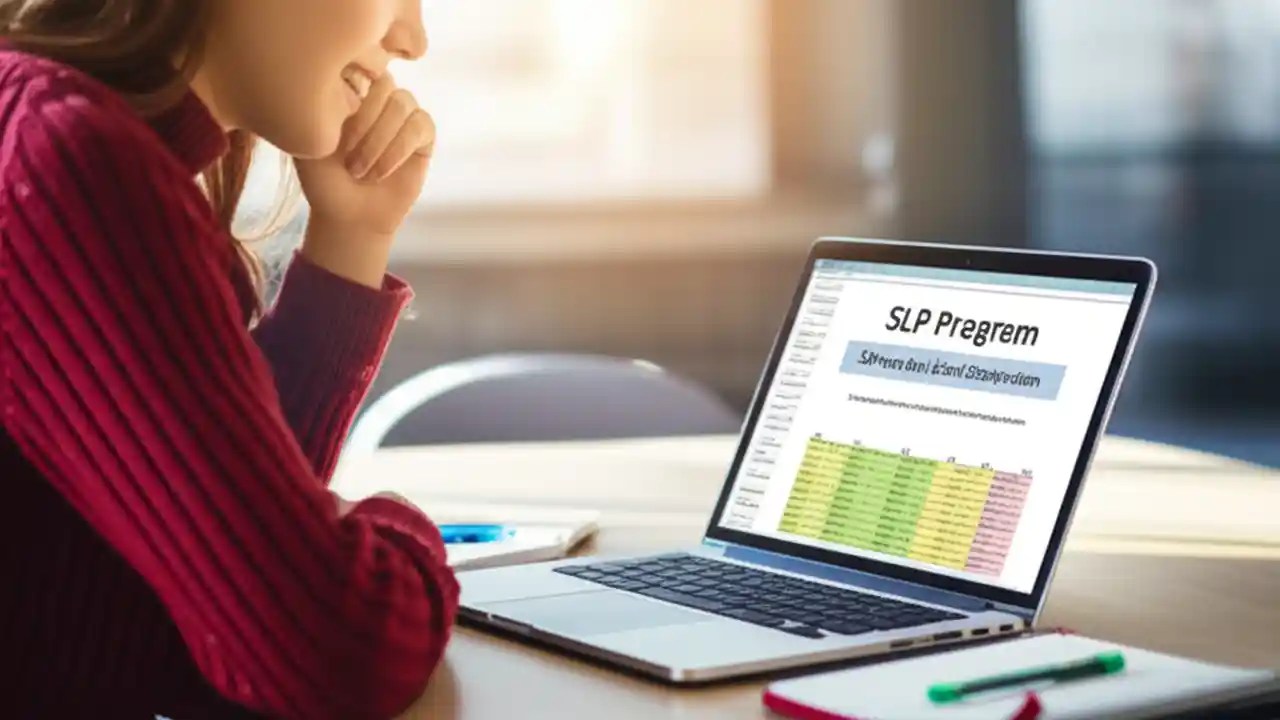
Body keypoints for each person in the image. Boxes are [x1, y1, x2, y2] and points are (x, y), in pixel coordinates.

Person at [0, 1, 457, 718]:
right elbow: (332, 651)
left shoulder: (55, 131)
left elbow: (194, 608)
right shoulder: (69, 155)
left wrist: (352, 237)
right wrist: (404, 529)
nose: (412, 39)